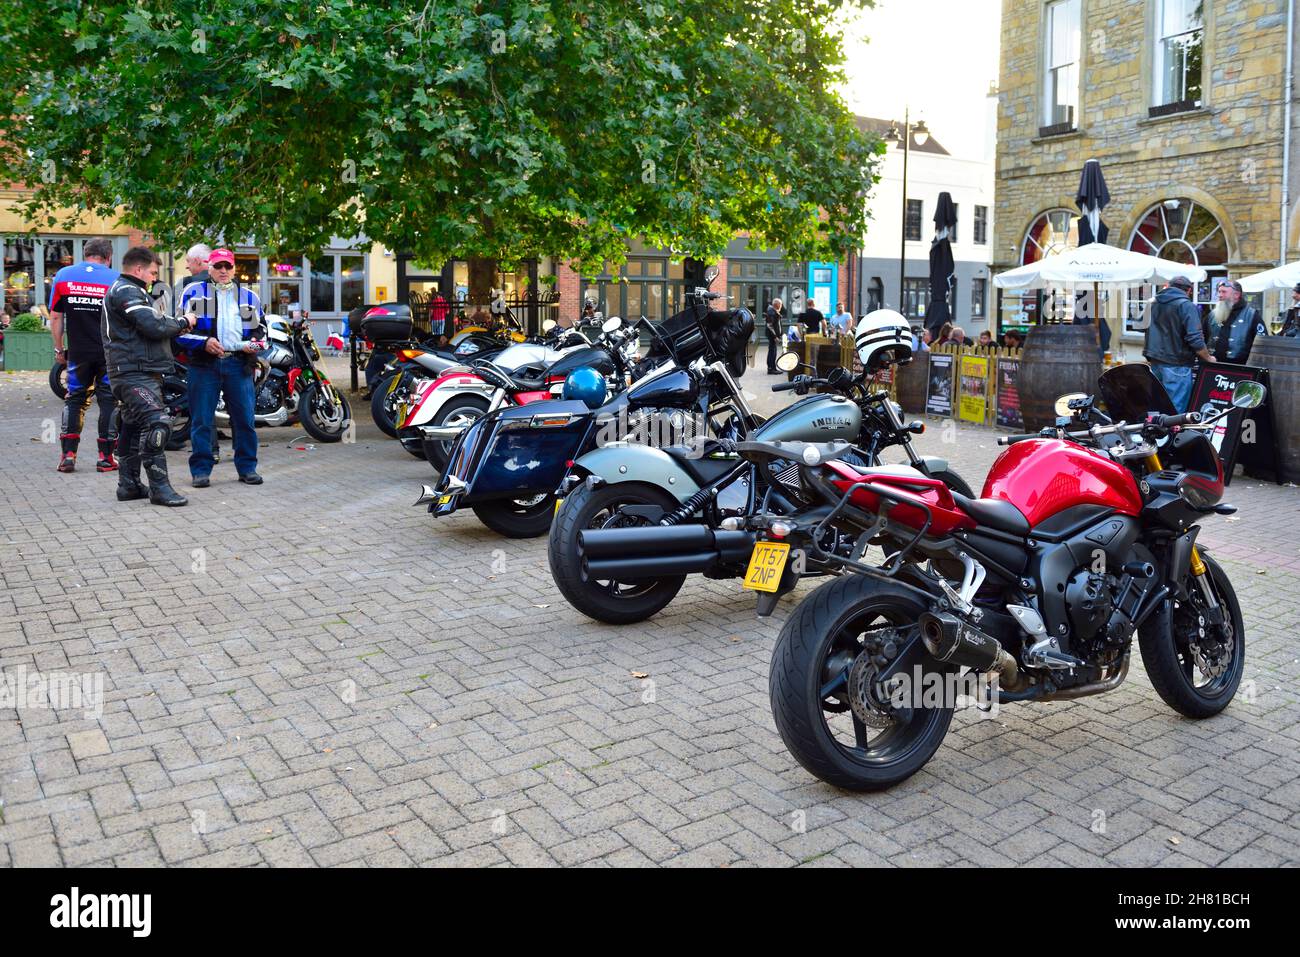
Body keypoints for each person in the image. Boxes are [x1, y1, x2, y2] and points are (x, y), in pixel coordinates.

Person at [104, 246, 196, 506]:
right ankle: (159, 488)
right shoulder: (126, 291)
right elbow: (153, 324)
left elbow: (151, 322)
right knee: (158, 422)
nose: (154, 278)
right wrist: (184, 322)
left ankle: (129, 485)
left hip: (136, 370)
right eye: (152, 272)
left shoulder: (129, 291)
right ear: (138, 269)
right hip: (133, 373)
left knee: (132, 427)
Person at [176, 248, 267, 487]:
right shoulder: (194, 292)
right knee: (202, 420)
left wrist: (253, 346)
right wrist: (204, 342)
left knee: (244, 420)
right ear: (209, 268)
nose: (223, 271)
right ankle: (201, 471)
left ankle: (247, 468)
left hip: (238, 364)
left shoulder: (248, 296)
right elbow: (178, 331)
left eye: (228, 266)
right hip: (204, 365)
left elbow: (261, 332)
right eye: (218, 266)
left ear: (235, 268)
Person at [48, 238, 120, 473]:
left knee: (75, 399)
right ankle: (106, 458)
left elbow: (56, 316)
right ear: (108, 257)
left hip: (78, 353)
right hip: (109, 353)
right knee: (109, 400)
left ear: (85, 253)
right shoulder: (116, 279)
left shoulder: (63, 275)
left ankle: (68, 456)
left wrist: (59, 349)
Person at [1142, 275, 1212, 412]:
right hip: (1177, 364)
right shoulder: (1186, 305)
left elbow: (1139, 325)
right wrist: (1209, 358)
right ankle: (1171, 434)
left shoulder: (1152, 302)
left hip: (1156, 362)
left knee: (1157, 408)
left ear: (1169, 286)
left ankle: (1157, 433)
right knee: (1175, 411)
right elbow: (1195, 339)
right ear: (1189, 291)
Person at [1211, 280, 1268, 364]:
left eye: (1224, 292)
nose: (1220, 295)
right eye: (1219, 292)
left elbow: (1262, 344)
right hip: (1212, 367)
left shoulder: (1251, 315)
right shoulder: (1212, 315)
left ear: (1236, 295)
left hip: (1240, 369)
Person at [764, 297, 785, 373]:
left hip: (774, 336)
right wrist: (775, 336)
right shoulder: (771, 312)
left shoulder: (773, 311)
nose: (781, 306)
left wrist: (781, 333)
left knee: (773, 351)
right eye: (781, 304)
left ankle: (773, 368)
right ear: (777, 304)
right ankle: (771, 369)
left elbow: (777, 324)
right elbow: (770, 325)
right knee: (772, 351)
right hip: (772, 336)